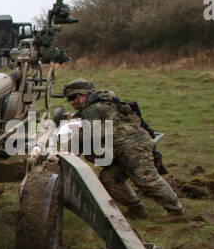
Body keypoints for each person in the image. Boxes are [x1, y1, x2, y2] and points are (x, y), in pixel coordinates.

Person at [63, 78, 183, 218]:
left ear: (84, 94)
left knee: (147, 180)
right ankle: (137, 209)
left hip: (132, 147)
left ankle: (176, 212)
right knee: (109, 178)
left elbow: (90, 137)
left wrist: (69, 152)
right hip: (123, 149)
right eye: (69, 99)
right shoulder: (105, 103)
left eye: (73, 97)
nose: (72, 102)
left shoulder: (92, 109)